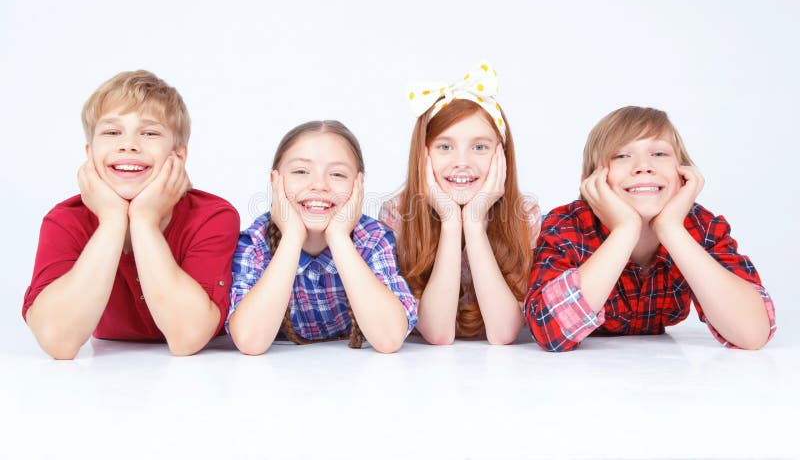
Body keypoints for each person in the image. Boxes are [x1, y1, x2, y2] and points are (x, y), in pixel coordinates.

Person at [23, 70, 240, 359]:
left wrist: (144, 221)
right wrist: (112, 220)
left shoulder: (213, 216)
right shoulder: (64, 220)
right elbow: (58, 341)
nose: (129, 145)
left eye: (149, 133)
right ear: (90, 153)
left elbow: (188, 336)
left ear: (178, 155)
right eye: (112, 132)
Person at [525, 106, 776, 351]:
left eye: (659, 154)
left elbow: (752, 334)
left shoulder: (702, 226)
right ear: (592, 180)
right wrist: (625, 230)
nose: (643, 166)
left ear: (683, 175)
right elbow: (549, 332)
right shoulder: (565, 226)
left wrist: (671, 229)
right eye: (621, 155)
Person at [380, 63, 540, 345]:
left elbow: (503, 334)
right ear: (423, 154)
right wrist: (451, 221)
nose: (462, 162)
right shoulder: (398, 214)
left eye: (479, 147)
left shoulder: (525, 215)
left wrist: (475, 223)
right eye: (445, 147)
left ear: (502, 155)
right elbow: (438, 334)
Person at [227, 120, 417, 354]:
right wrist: (292, 237)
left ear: (359, 185)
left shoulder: (373, 239)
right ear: (275, 181)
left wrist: (338, 237)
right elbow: (250, 340)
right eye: (301, 171)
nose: (319, 185)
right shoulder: (255, 242)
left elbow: (388, 338)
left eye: (337, 174)